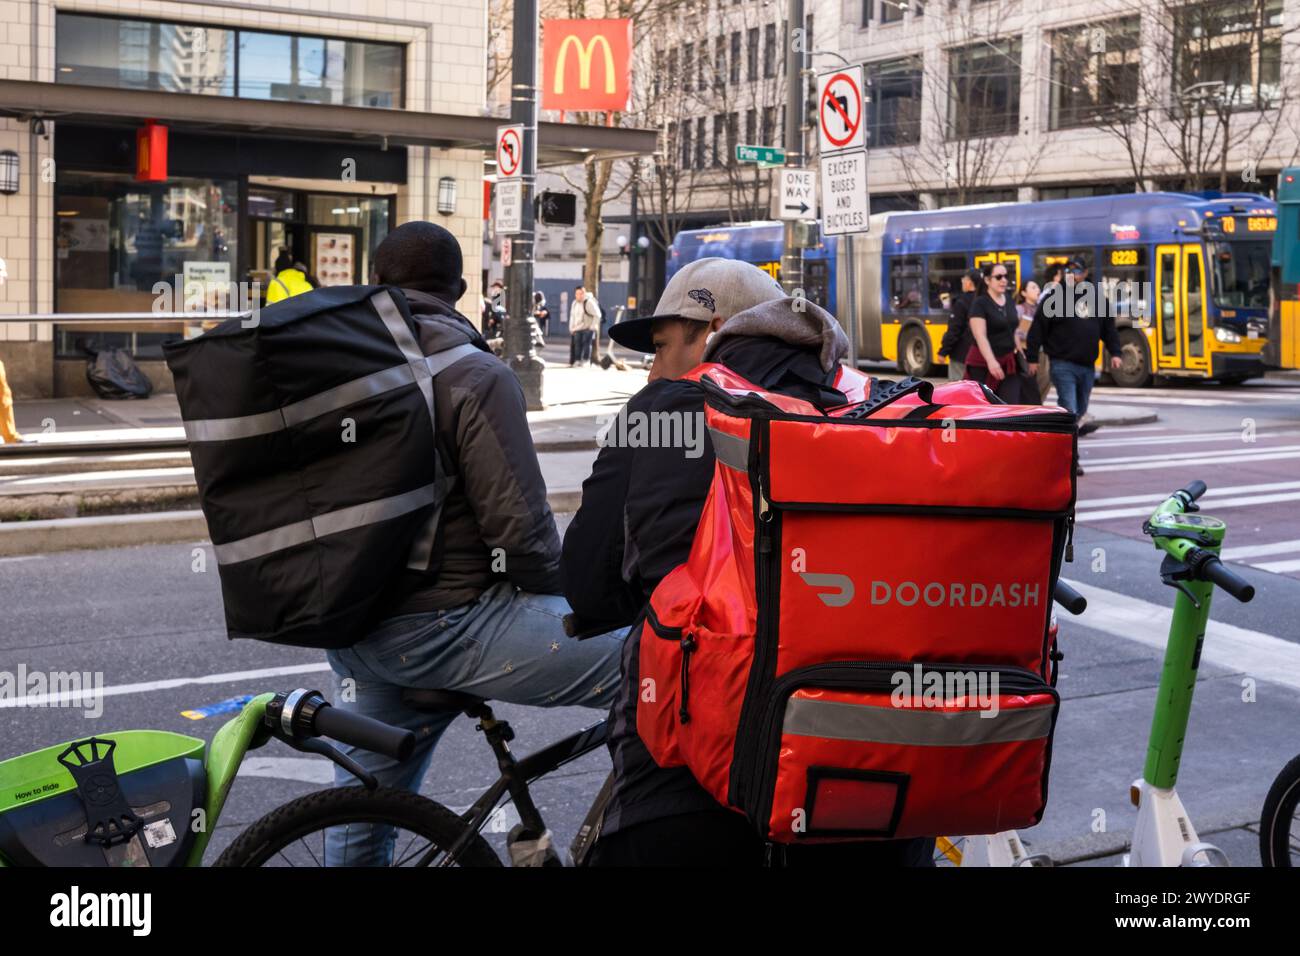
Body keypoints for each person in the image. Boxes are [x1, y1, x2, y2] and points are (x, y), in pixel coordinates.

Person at [563, 257, 935, 868]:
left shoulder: (664, 411)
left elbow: (586, 583)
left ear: (710, 331)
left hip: (693, 791)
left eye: (660, 346)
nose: (653, 369)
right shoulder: (880, 412)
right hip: (871, 789)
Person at [322, 221, 624, 865]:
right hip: (444, 626)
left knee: (365, 808)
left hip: (353, 628)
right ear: (459, 290)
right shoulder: (473, 373)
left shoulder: (334, 369)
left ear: (376, 285)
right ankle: (646, 834)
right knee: (661, 667)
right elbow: (521, 532)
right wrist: (580, 598)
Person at [1027, 259, 1124, 471]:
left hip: (1087, 366)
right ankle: (1071, 460)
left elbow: (1109, 328)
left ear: (1085, 272)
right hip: (1062, 364)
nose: (1073, 274)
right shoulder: (1054, 297)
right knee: (1069, 410)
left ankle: (1063, 451)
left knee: (1079, 412)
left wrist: (1115, 352)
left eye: (1077, 270)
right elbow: (1037, 329)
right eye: (1069, 270)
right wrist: (1032, 358)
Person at [966, 263, 1037, 403]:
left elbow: (1013, 330)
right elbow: (980, 336)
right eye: (999, 277)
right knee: (982, 407)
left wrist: (1022, 353)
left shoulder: (1009, 300)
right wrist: (991, 361)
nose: (1004, 280)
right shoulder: (980, 303)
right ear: (987, 280)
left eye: (1006, 276)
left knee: (1011, 404)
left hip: (1008, 362)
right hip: (983, 365)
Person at [938, 269, 982, 381]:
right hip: (979, 355)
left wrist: (943, 351)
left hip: (961, 354)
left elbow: (954, 330)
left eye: (963, 279)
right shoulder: (985, 300)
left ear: (969, 283)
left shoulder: (961, 302)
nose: (962, 282)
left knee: (957, 388)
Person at [1015, 279, 1050, 402]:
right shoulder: (1019, 309)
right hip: (1025, 351)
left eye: (1038, 287)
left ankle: (1036, 404)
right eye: (1033, 287)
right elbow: (1015, 332)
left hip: (1042, 351)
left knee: (1046, 378)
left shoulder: (1042, 309)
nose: (1038, 290)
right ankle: (1032, 406)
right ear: (1024, 293)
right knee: (1029, 381)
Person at [569, 284, 600, 366]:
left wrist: (592, 327)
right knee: (577, 345)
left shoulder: (588, 302)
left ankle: (586, 360)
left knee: (587, 345)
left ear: (584, 293)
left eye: (581, 293)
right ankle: (577, 360)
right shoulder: (574, 303)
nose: (579, 295)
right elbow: (572, 316)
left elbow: (598, 315)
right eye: (577, 294)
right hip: (577, 328)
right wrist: (571, 328)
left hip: (587, 328)